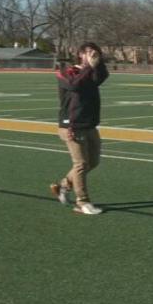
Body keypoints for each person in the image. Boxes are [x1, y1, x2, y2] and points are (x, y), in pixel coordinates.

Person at [49, 42, 109, 215]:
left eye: (95, 52)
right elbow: (75, 85)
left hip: (89, 124)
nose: (92, 55)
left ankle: (63, 186)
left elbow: (101, 77)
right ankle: (82, 202)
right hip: (72, 125)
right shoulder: (65, 72)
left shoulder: (92, 72)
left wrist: (97, 64)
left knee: (93, 162)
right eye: (88, 52)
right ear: (80, 54)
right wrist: (88, 67)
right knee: (81, 164)